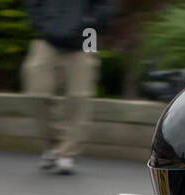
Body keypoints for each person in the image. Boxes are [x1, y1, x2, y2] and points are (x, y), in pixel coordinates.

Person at [24, 0, 116, 176]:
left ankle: (67, 153)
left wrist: (87, 25)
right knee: (36, 93)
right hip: (47, 37)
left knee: (79, 96)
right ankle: (54, 146)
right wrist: (44, 24)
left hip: (88, 37)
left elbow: (105, 7)